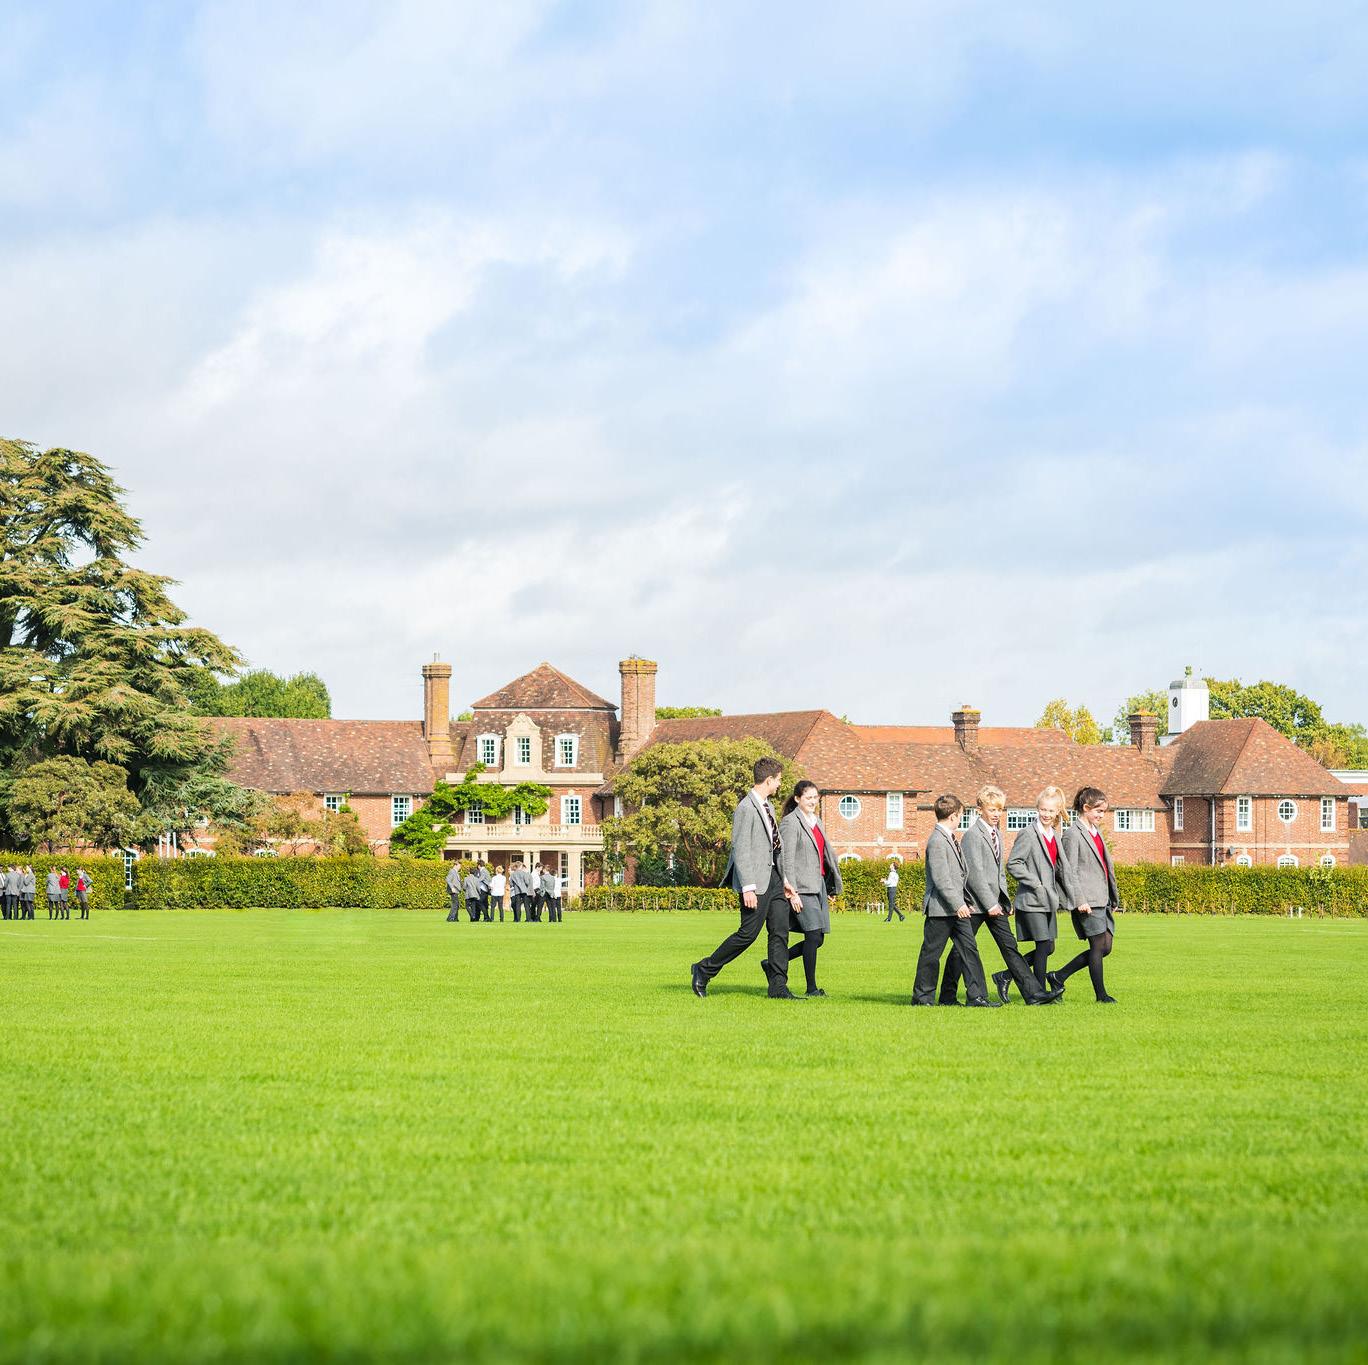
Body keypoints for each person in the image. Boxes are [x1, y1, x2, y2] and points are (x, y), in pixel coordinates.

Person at [691, 756, 804, 1001]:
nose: (779, 785)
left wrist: (784, 880)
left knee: (780, 932)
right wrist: (748, 888)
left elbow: (774, 846)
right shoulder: (745, 808)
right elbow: (740, 849)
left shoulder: (768, 806)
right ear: (769, 779)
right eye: (778, 781)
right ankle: (704, 969)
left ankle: (778, 987)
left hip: (774, 878)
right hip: (755, 882)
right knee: (747, 934)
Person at [941, 786, 1062, 1006]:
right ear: (980, 810)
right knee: (962, 951)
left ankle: (1033, 993)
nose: (997, 814)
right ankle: (947, 995)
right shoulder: (972, 836)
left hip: (996, 904)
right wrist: (990, 904)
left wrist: (1004, 901)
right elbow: (975, 875)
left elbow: (998, 872)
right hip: (977, 905)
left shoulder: (997, 833)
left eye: (1000, 810)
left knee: (1010, 947)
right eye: (992, 809)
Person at [911, 794, 999, 1007]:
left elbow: (959, 876)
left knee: (969, 950)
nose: (961, 819)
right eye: (961, 815)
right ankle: (922, 998)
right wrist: (958, 904)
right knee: (931, 954)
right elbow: (941, 880)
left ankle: (976, 997)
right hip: (941, 910)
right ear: (953, 815)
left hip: (958, 909)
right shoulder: (937, 841)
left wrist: (964, 901)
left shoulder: (949, 837)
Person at [1053, 786, 1120, 1003]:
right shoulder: (1073, 834)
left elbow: (1104, 867)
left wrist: (1113, 897)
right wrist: (1078, 900)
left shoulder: (1096, 832)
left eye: (1104, 812)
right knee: (1097, 946)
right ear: (1086, 808)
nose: (1102, 816)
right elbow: (1066, 870)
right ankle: (1101, 995)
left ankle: (1058, 976)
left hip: (1102, 899)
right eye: (1098, 811)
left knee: (1105, 948)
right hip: (1087, 901)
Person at [778, 779, 842, 997]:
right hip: (802, 889)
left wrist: (831, 887)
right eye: (808, 797)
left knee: (819, 939)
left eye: (815, 797)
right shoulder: (790, 823)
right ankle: (812, 988)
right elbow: (786, 860)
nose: (813, 801)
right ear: (797, 799)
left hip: (818, 887)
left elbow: (824, 857)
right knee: (813, 937)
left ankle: (773, 963)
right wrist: (791, 891)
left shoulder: (817, 821)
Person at [1005, 787, 1067, 995]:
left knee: (1049, 947)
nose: (1046, 814)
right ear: (1037, 809)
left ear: (1058, 811)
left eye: (1050, 811)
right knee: (1042, 944)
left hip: (1048, 900)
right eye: (1043, 810)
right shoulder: (1028, 834)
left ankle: (1005, 975)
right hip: (1031, 898)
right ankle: (1039, 992)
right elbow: (1014, 864)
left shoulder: (1055, 835)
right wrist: (1036, 883)